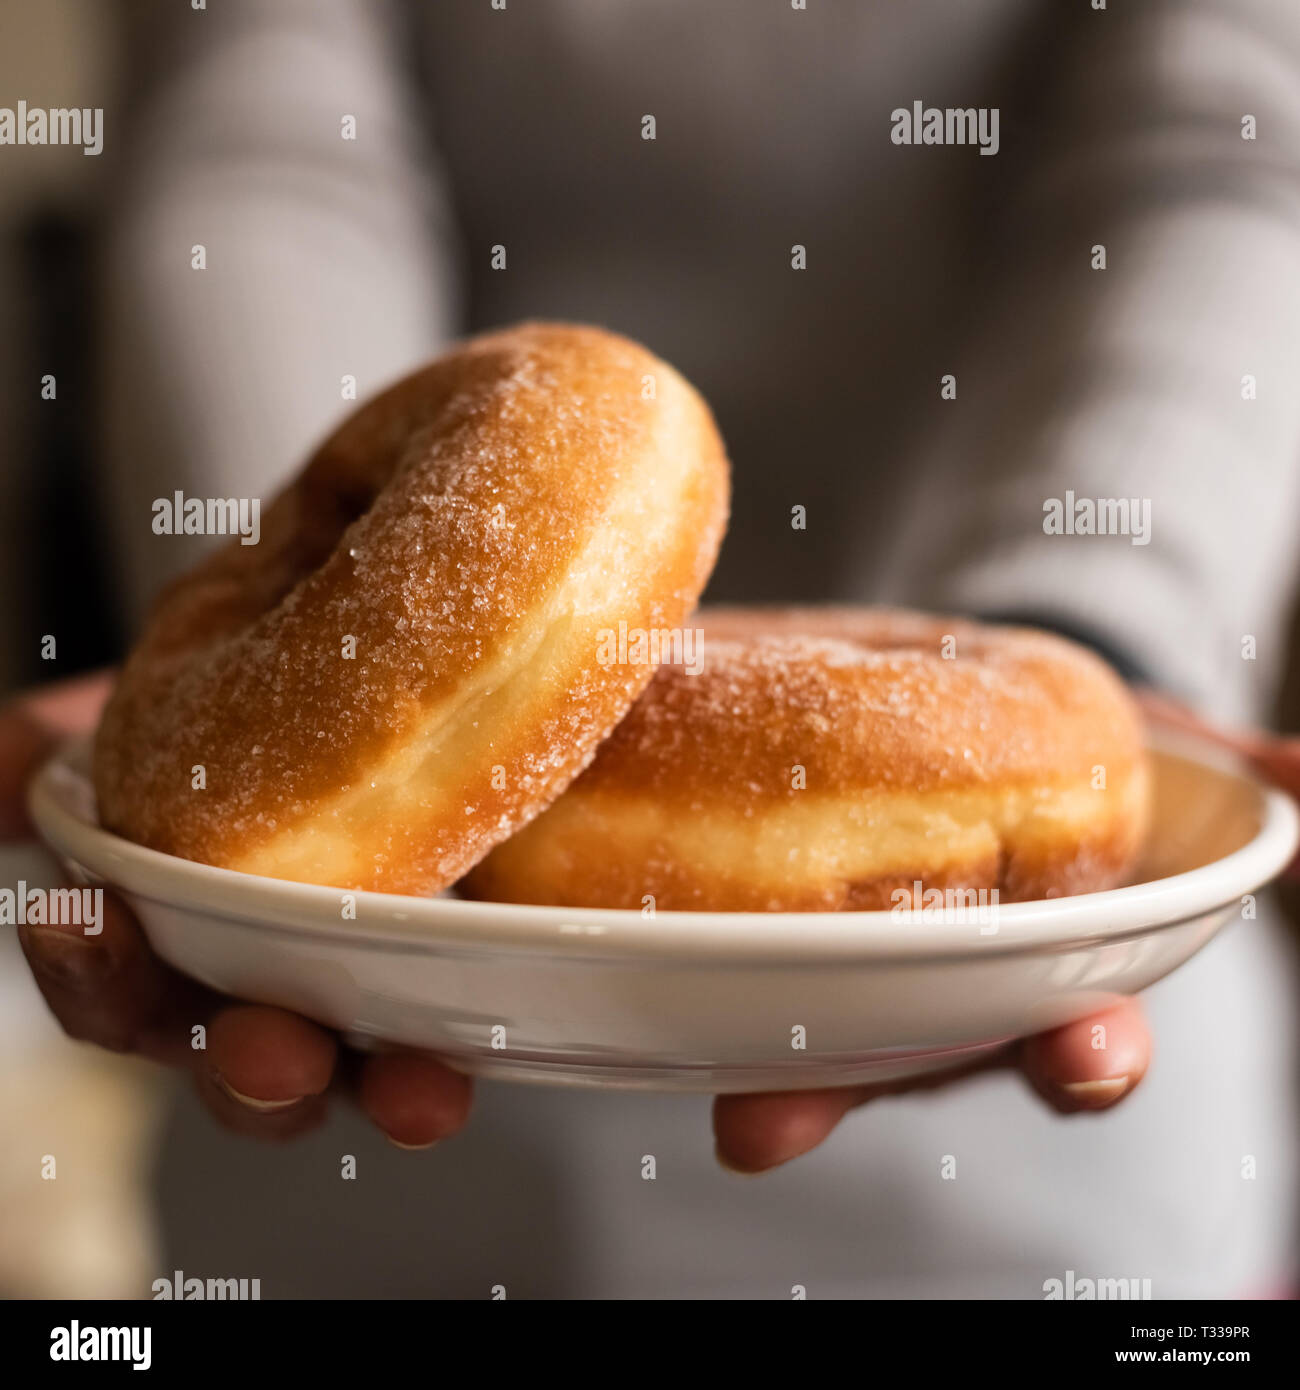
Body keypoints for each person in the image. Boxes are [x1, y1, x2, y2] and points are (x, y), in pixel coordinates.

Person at [14, 0, 1300, 1296]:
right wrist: (283, 795)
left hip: (1036, 1192)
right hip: (370, 1075)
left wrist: (1093, 613)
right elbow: (265, 139)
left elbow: (1223, 154)